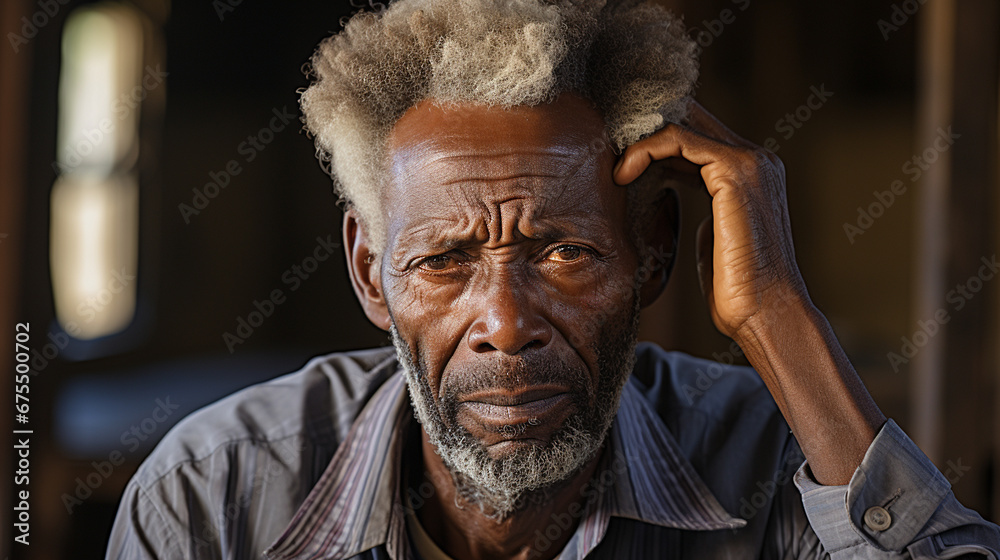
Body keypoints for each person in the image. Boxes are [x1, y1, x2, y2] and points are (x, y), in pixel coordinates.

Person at [107, 1, 1000, 558]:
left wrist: (776, 312)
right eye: (442, 261)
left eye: (565, 252)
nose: (503, 321)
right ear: (370, 274)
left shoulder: (782, 472)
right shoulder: (210, 497)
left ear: (651, 252)